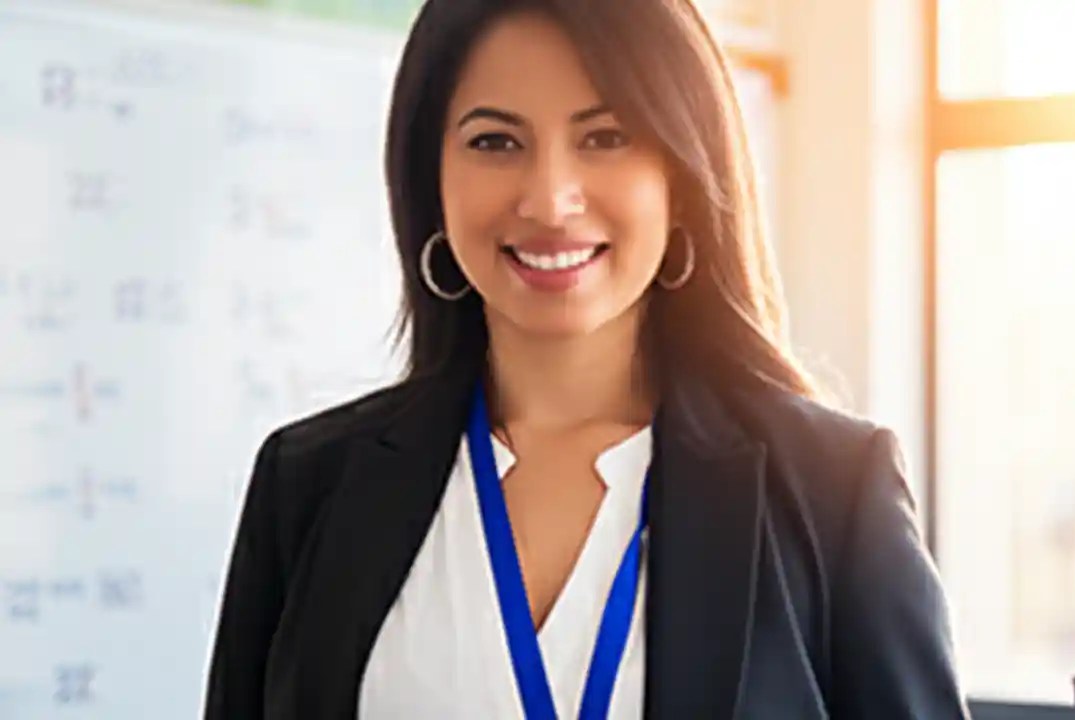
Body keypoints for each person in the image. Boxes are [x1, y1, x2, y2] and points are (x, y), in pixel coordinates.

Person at [203, 0, 969, 718]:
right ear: (429, 177)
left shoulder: (833, 492)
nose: (549, 200)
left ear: (682, 172)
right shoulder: (309, 486)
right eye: (495, 142)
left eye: (606, 138)